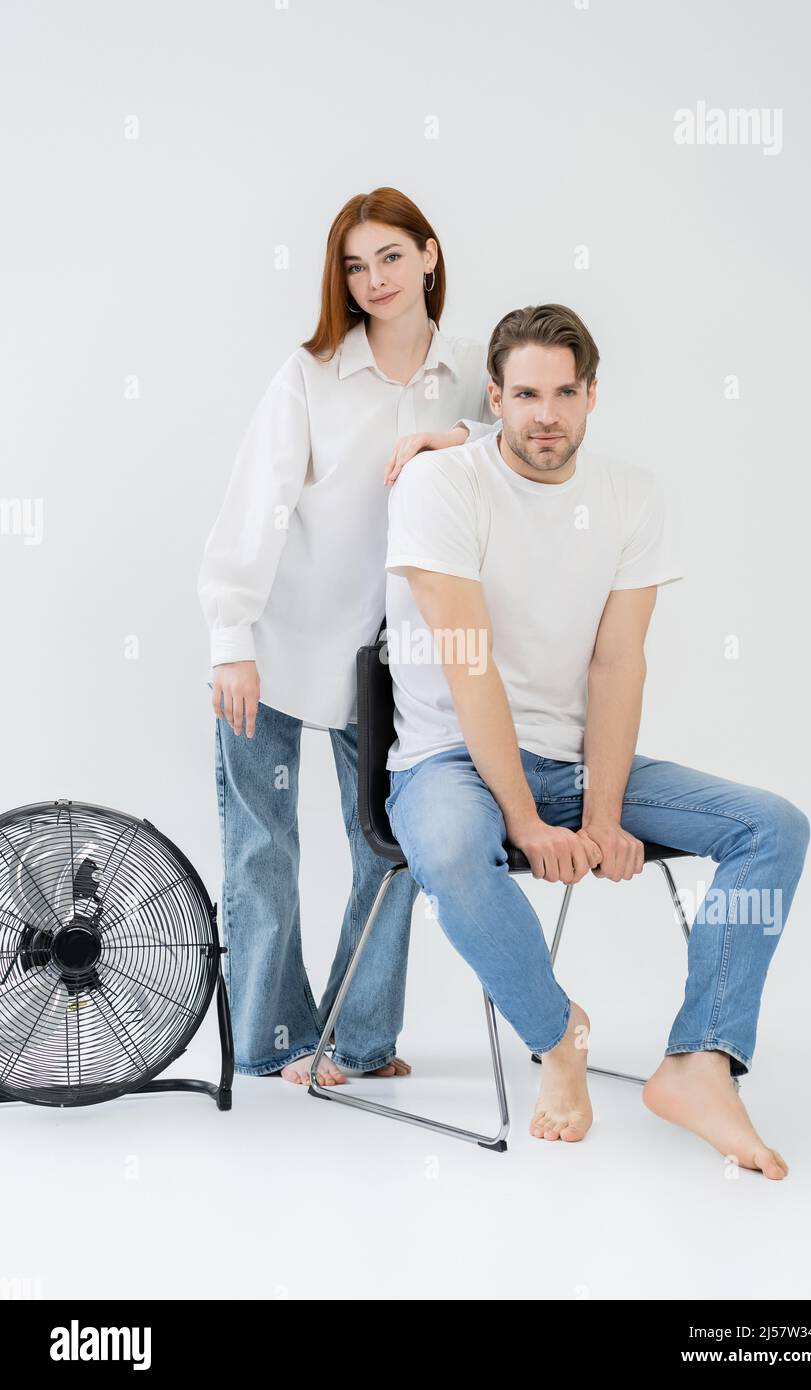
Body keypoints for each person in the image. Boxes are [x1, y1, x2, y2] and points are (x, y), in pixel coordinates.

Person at [383, 302, 810, 1177]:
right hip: (450, 760)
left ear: (591, 396)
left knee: (773, 826)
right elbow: (470, 664)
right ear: (494, 398)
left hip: (574, 764)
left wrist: (604, 812)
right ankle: (557, 1036)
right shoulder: (440, 486)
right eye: (526, 394)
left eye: (565, 393)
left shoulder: (630, 495)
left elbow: (617, 665)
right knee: (455, 855)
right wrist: (525, 821)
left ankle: (700, 1062)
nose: (547, 415)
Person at [197, 187, 498, 1085]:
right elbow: (256, 504)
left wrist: (458, 435)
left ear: (430, 254)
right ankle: (273, 1040)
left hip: (393, 663)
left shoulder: (470, 371)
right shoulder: (310, 373)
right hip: (277, 644)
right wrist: (230, 638)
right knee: (263, 850)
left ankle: (354, 1039)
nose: (375, 280)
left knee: (390, 848)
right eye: (356, 266)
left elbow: (526, 442)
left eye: (391, 257)